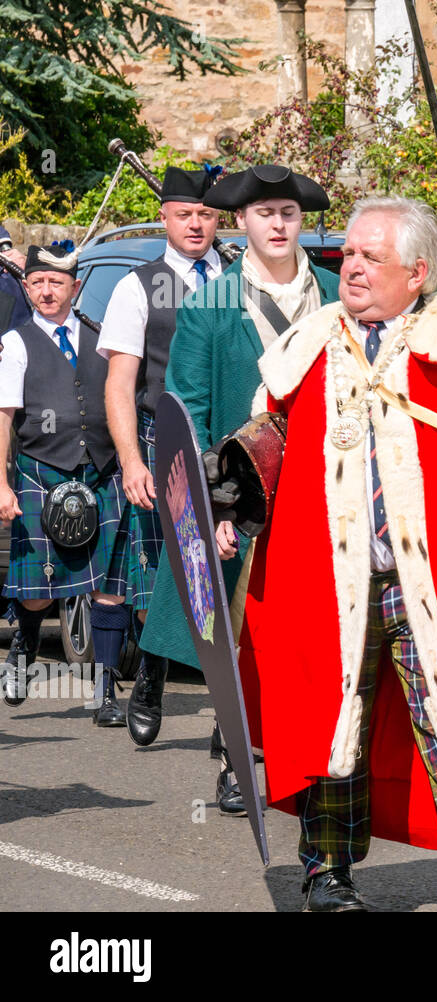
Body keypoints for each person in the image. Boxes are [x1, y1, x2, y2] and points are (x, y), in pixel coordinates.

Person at [231, 196, 437, 912]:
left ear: (418, 272)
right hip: (323, 575)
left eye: (373, 256)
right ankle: (326, 875)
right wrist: (231, 483)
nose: (353, 267)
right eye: (348, 254)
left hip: (430, 574)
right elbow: (266, 442)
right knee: (332, 726)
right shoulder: (308, 341)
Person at [135, 164, 339, 816]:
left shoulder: (338, 295)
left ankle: (316, 756)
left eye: (288, 212)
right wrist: (216, 502)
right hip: (240, 495)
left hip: (323, 493)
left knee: (313, 634)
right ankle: (234, 751)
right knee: (237, 631)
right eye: (264, 214)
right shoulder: (209, 305)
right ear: (242, 223)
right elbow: (188, 410)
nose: (277, 224)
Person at [96, 166, 222, 747]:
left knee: (229, 571)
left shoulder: (239, 277)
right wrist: (130, 459)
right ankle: (151, 673)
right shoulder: (137, 285)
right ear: (165, 219)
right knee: (175, 566)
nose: (196, 224)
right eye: (184, 215)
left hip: (233, 437)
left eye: (205, 214)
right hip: (162, 436)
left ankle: (232, 726)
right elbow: (120, 381)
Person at [0, 245, 132, 724]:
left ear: (75, 287)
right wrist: (1, 483)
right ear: (28, 287)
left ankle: (104, 692)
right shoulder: (15, 344)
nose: (45, 291)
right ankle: (26, 641)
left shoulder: (101, 339)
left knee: (109, 588)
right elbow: (4, 418)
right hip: (42, 470)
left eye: (55, 282)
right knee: (39, 589)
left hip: (101, 470)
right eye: (36, 283)